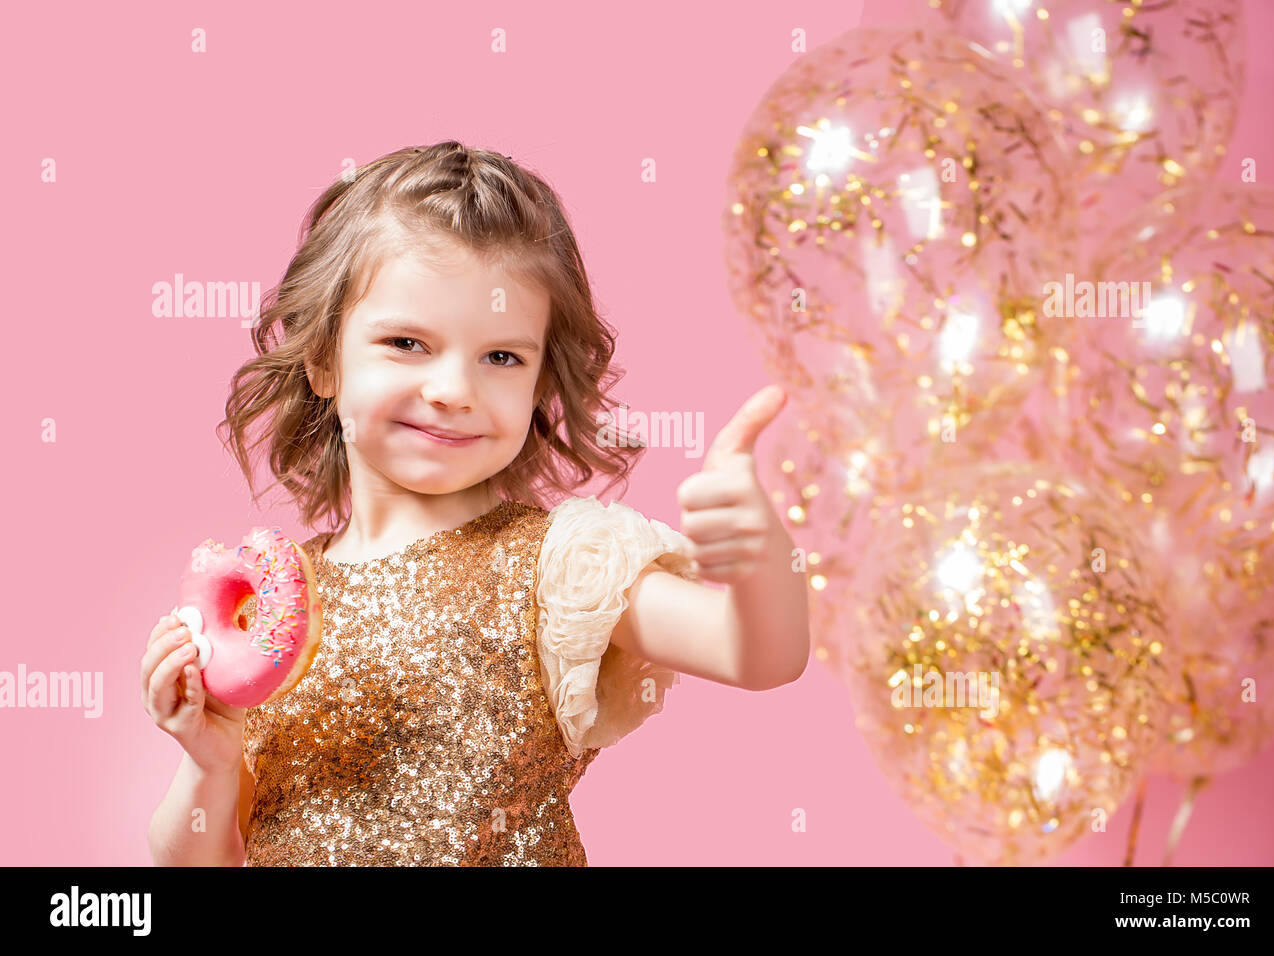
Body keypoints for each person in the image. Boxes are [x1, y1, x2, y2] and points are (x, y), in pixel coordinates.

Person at [142, 141, 810, 866]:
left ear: (539, 382)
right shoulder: (274, 615)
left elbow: (756, 654)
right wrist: (209, 760)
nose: (454, 389)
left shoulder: (558, 568)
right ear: (323, 360)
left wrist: (758, 556)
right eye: (407, 342)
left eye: (501, 357)